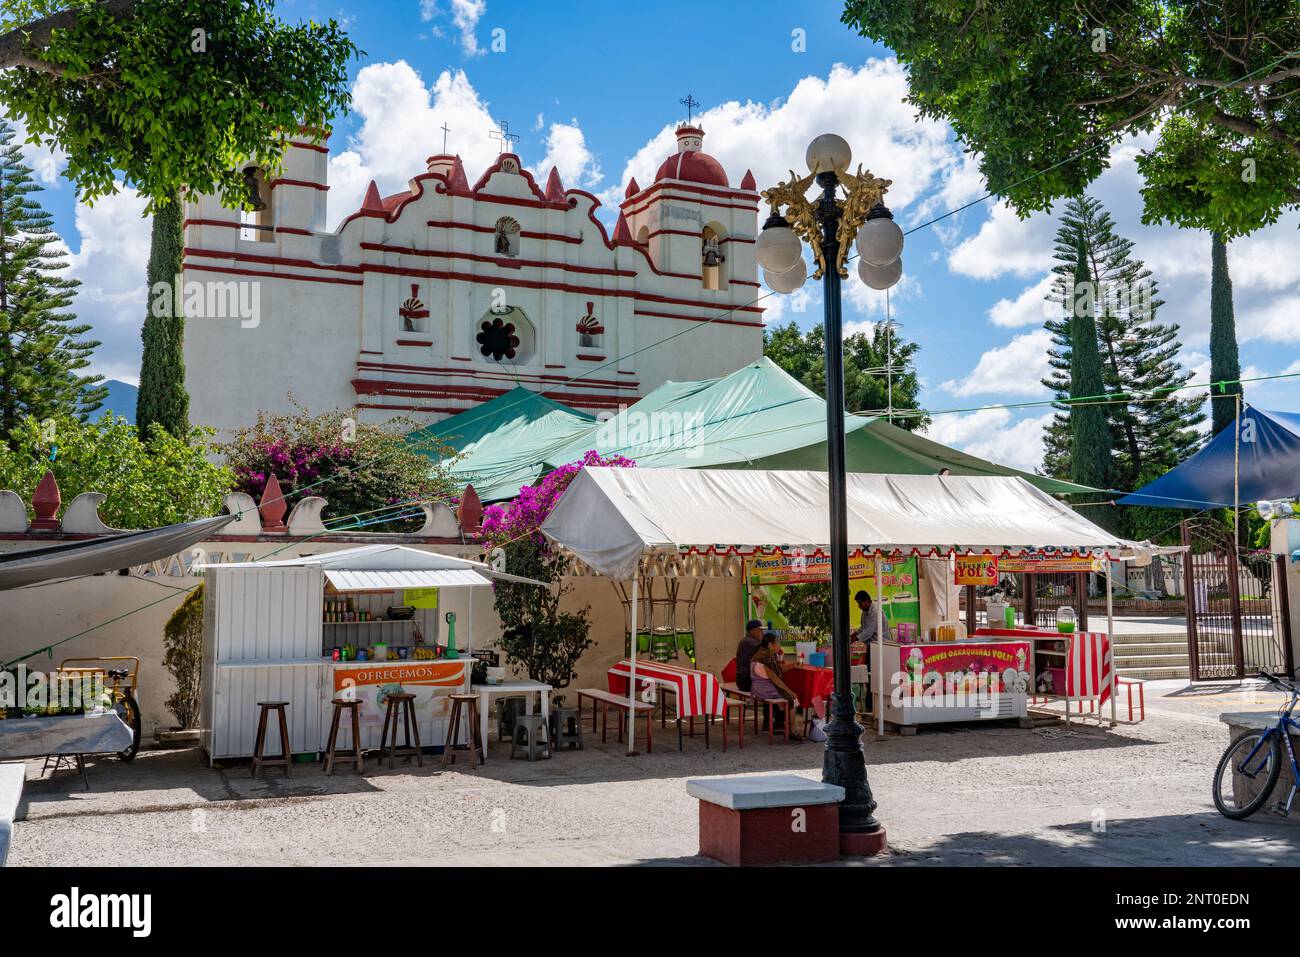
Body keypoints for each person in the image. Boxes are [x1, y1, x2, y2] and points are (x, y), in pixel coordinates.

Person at [750, 631, 801, 739]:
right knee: (792, 699)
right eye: (778, 643)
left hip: (757, 688)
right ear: (770, 645)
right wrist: (789, 691)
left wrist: (793, 665)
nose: (779, 645)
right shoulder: (766, 658)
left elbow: (778, 670)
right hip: (764, 690)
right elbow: (775, 678)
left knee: (788, 694)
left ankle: (787, 726)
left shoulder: (762, 653)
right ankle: (792, 730)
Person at [734, 619, 763, 692]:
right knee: (772, 688)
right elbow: (766, 648)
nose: (761, 633)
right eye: (759, 630)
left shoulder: (746, 640)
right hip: (746, 681)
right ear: (752, 631)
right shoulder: (749, 642)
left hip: (743, 680)